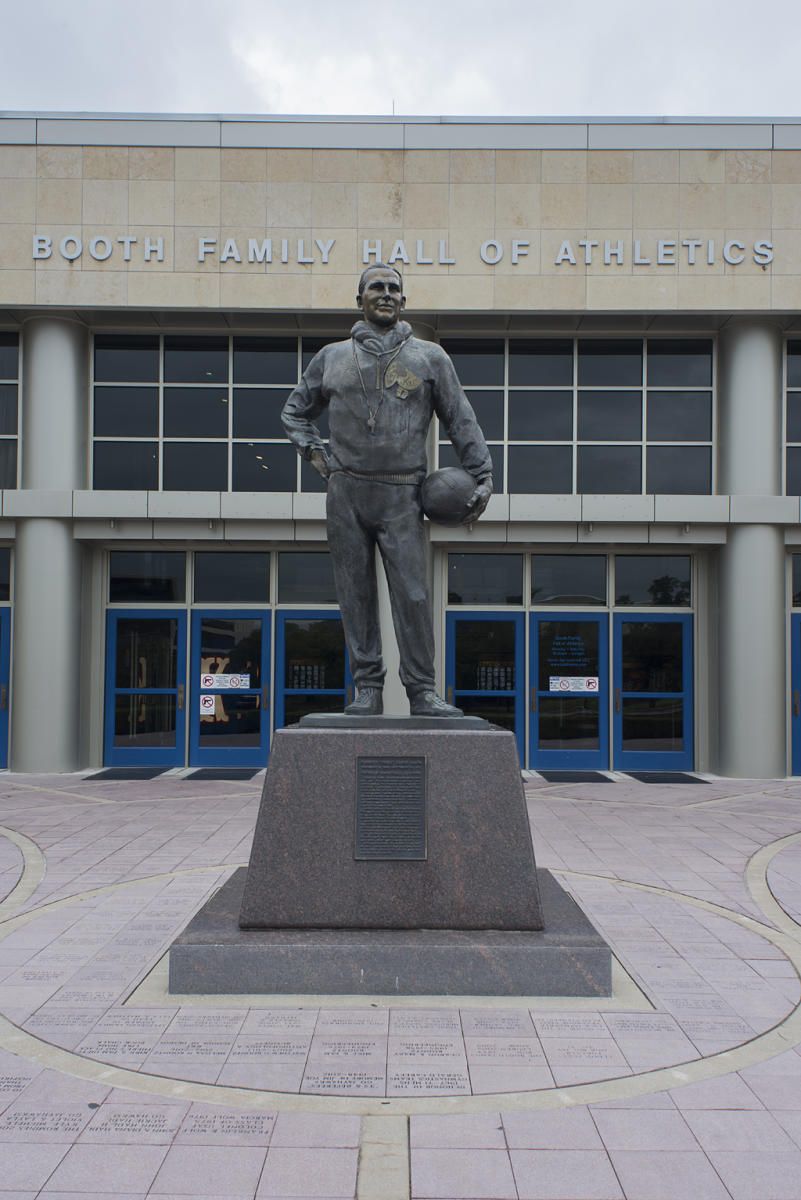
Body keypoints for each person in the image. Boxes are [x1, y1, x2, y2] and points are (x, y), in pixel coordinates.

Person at [281, 264, 493, 716]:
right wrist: (314, 453)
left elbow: (460, 418)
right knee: (355, 596)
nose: (386, 294)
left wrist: (482, 473)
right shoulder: (332, 357)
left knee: (414, 595)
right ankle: (367, 688)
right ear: (358, 298)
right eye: (376, 287)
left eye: (394, 289)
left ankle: (422, 691)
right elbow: (295, 411)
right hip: (346, 492)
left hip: (403, 493)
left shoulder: (430, 358)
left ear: (404, 300)